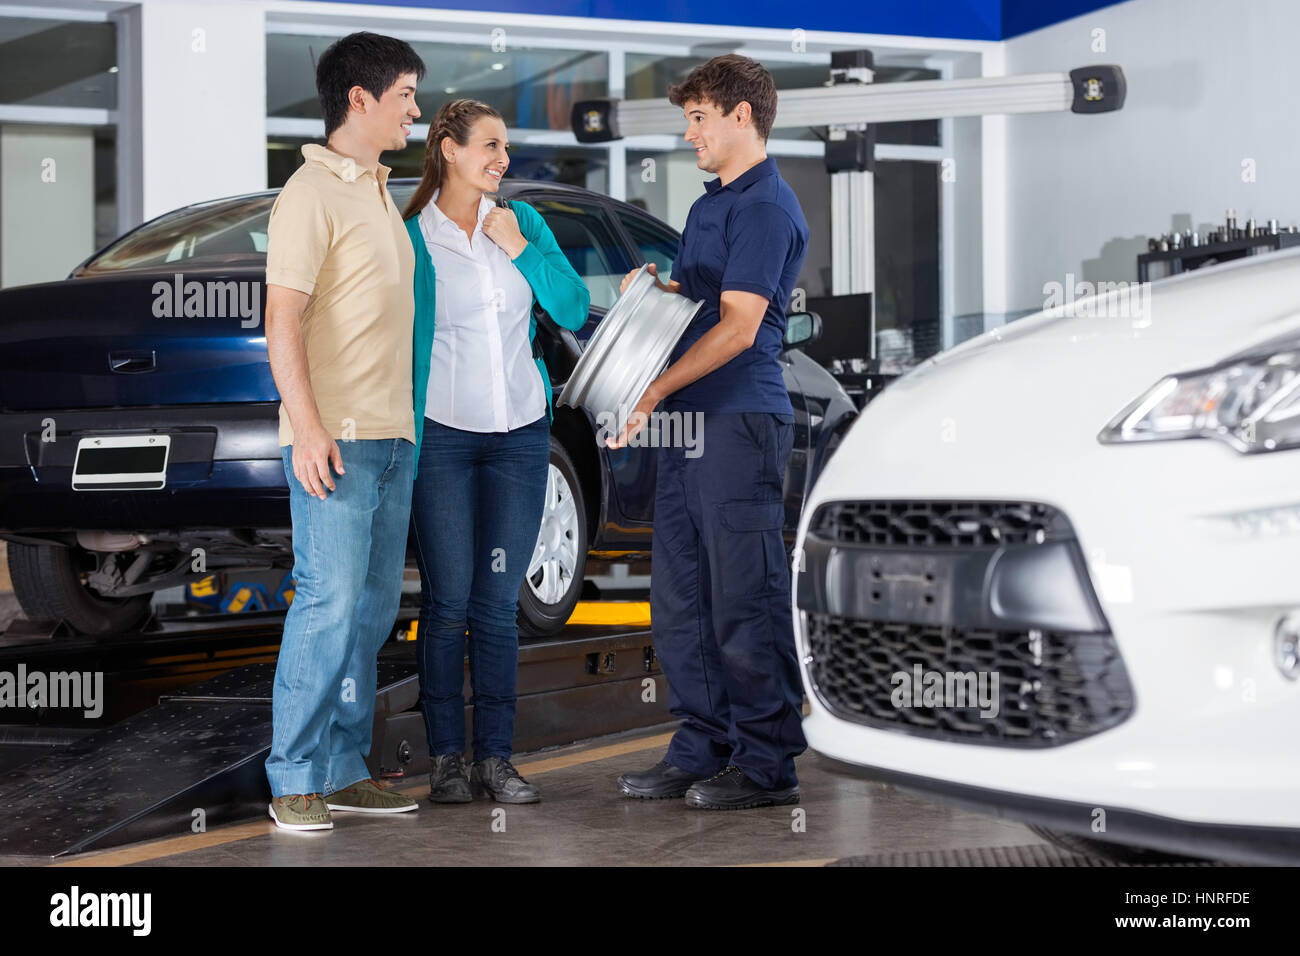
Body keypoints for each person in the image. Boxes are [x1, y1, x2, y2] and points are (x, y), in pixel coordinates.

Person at [611, 55, 811, 809]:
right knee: (683, 594)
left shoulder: (765, 207)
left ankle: (766, 764)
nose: (688, 132)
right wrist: (657, 290)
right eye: (687, 118)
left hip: (738, 421)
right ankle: (702, 745)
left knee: (743, 595)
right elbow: (698, 307)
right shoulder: (709, 206)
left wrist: (654, 388)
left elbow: (737, 328)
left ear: (741, 117)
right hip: (689, 425)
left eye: (699, 117)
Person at [401, 99, 590, 804]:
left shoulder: (524, 224)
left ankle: (497, 760)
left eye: (505, 148)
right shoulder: (412, 239)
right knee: (448, 600)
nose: (502, 160)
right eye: (489, 146)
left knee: (497, 598)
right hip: (444, 437)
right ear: (447, 149)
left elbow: (572, 308)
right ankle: (447, 760)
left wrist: (517, 246)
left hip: (519, 437)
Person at [263, 32, 425, 831]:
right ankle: (293, 775)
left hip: (391, 436)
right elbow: (280, 319)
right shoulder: (310, 192)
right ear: (359, 100)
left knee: (368, 610)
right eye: (405, 95)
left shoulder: (377, 190)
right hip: (338, 437)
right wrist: (307, 426)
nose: (415, 111)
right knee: (327, 603)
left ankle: (341, 766)